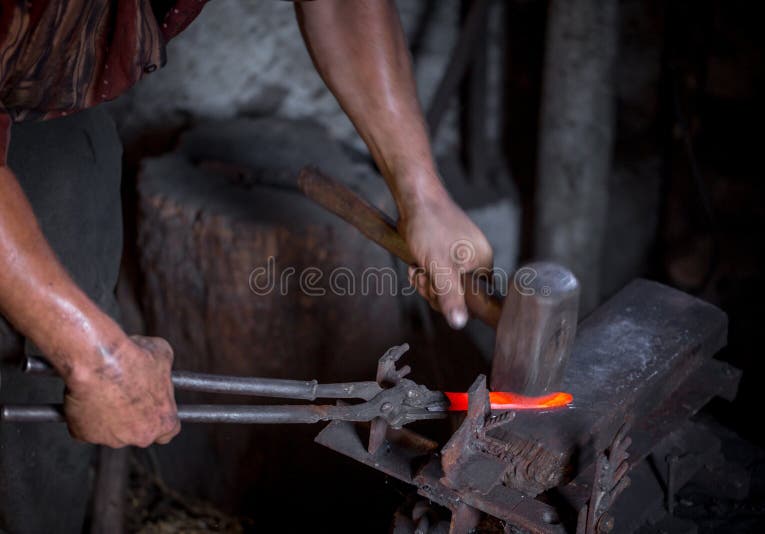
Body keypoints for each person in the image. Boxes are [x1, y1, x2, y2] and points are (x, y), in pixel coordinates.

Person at [0, 1, 492, 531]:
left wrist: (422, 193)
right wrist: (95, 356)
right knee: (66, 357)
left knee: (41, 407)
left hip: (45, 97)